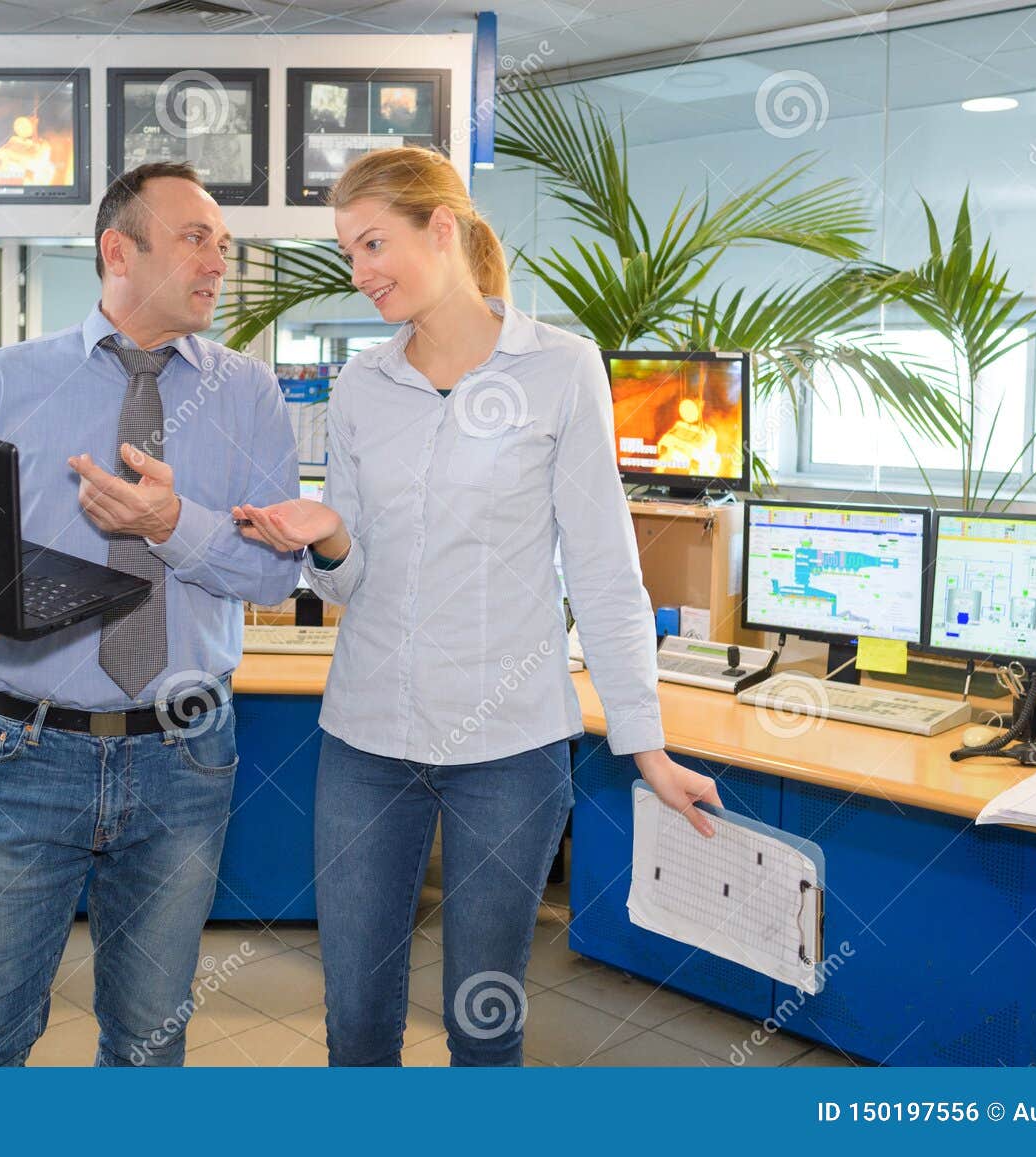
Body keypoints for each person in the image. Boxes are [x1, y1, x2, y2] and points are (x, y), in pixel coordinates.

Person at [231, 147, 722, 1067]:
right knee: (356, 1023)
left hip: (509, 749)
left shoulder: (561, 369)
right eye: (347, 252)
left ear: (441, 229)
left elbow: (604, 571)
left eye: (374, 243)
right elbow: (344, 585)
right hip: (366, 741)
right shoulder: (361, 385)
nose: (359, 271)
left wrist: (645, 745)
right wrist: (328, 538)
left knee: (482, 1026)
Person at [0, 161, 300, 1066]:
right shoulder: (5, 381)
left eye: (223, 243)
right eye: (195, 238)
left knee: (147, 1040)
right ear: (118, 252)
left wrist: (171, 524)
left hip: (185, 753)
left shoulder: (250, 393)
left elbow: (272, 578)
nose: (219, 261)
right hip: (25, 747)